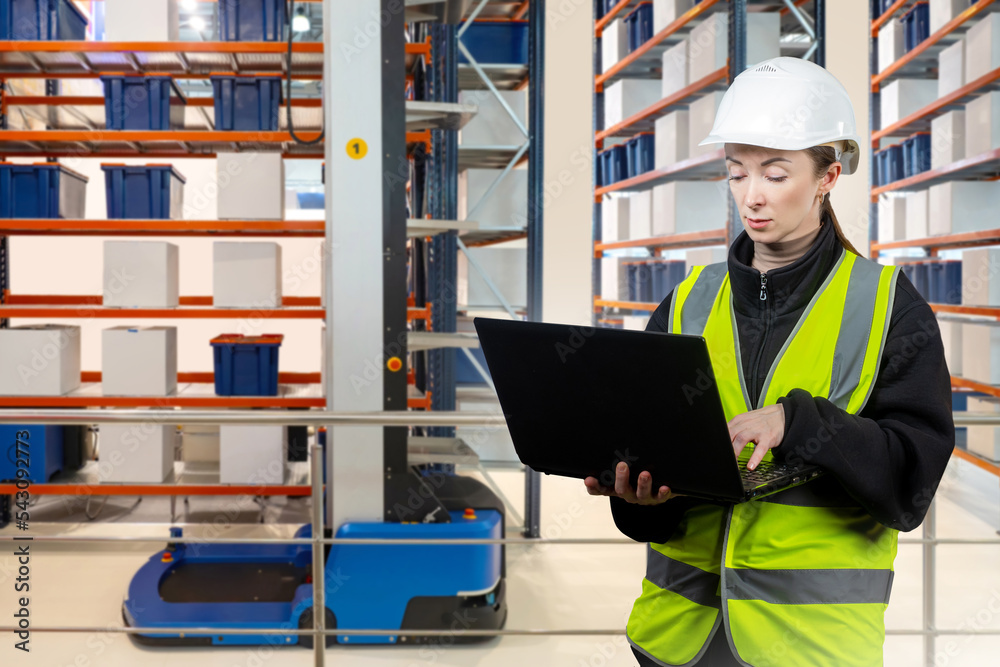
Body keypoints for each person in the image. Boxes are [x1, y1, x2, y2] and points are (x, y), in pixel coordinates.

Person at [585, 57, 955, 667]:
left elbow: (909, 484)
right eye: (736, 174)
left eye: (776, 174)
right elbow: (657, 496)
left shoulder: (889, 307)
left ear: (827, 177)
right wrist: (638, 498)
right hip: (678, 639)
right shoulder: (685, 303)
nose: (751, 197)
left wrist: (800, 424)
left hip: (810, 647)